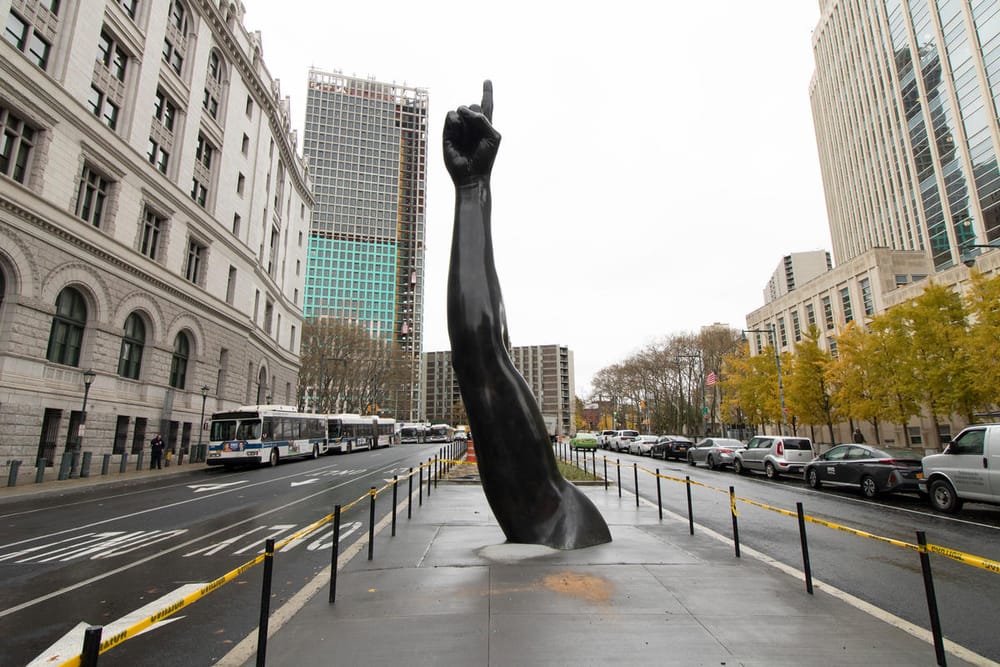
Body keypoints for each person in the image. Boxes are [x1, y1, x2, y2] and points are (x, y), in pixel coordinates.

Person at [444, 81, 611, 550]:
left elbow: (478, 346)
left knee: (481, 358)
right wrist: (474, 191)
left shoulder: (559, 516)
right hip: (557, 529)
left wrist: (472, 190)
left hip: (560, 530)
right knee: (480, 358)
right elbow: (479, 345)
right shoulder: (556, 513)